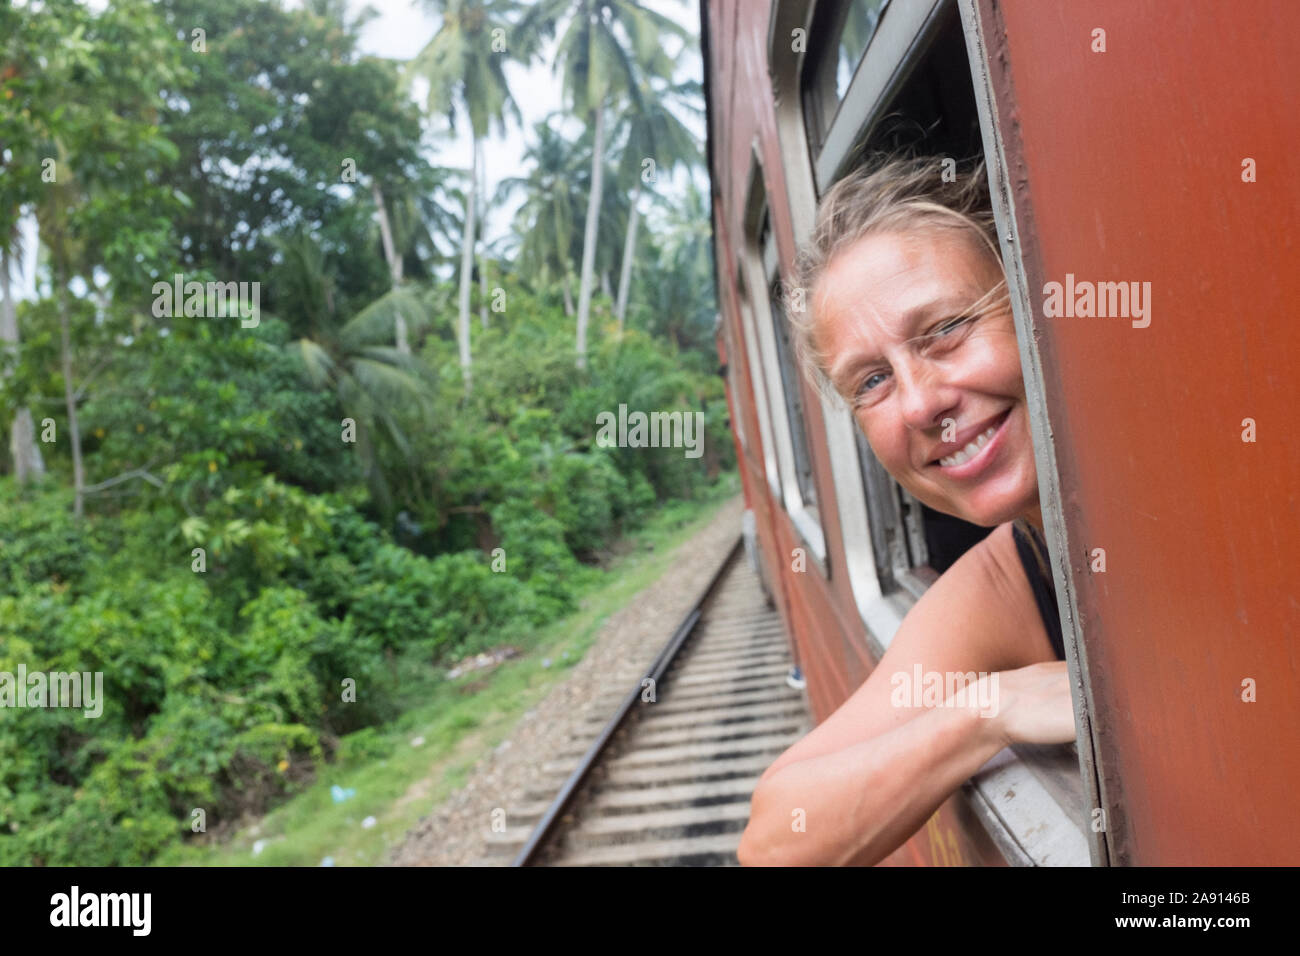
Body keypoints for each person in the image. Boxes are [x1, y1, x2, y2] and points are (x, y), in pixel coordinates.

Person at [736, 155, 1077, 867]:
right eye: (871, 381)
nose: (921, 404)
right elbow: (776, 839)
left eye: (947, 327)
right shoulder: (1008, 581)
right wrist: (985, 714)